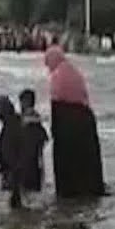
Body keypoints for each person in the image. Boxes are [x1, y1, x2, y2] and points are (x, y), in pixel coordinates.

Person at [44, 45, 105, 198]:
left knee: (68, 166)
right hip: (85, 122)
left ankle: (69, 195)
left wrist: (54, 132)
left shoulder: (57, 77)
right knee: (87, 164)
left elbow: (56, 107)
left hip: (67, 125)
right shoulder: (75, 73)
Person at [0, 95, 24, 208]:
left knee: (14, 203)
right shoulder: (17, 122)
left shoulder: (10, 127)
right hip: (16, 170)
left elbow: (8, 152)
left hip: (14, 172)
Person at [18, 89, 49, 193]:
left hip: (25, 165)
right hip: (35, 166)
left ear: (24, 102)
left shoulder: (23, 122)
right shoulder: (37, 121)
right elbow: (43, 141)